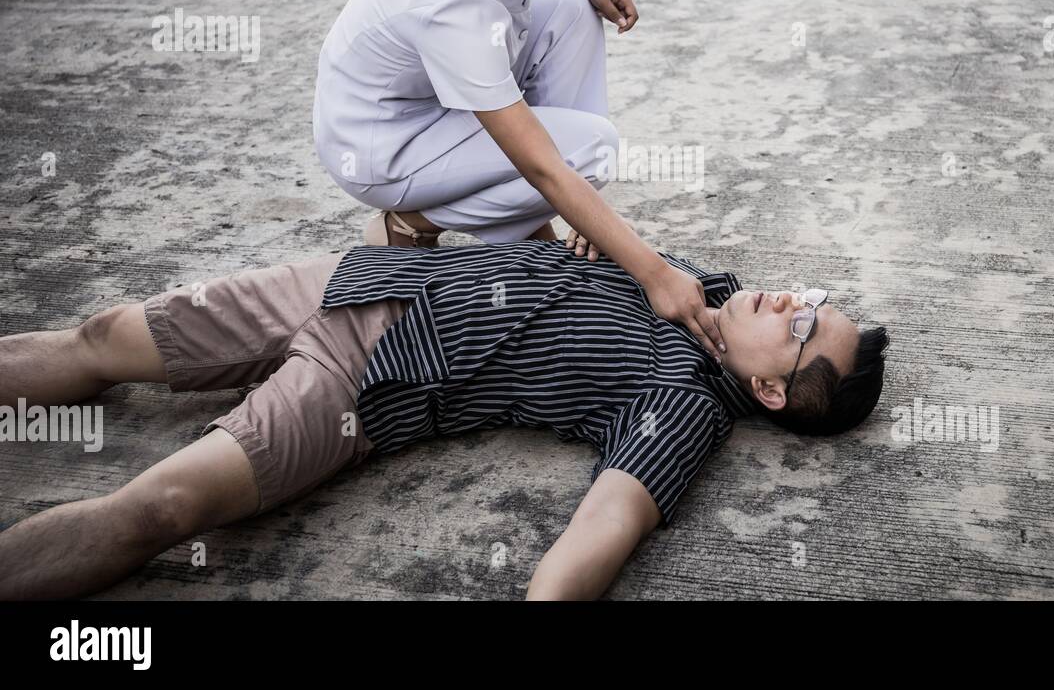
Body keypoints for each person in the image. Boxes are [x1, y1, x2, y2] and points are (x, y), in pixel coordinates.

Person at [0, 240, 889, 600]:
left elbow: (605, 525)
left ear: (771, 393)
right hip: (360, 278)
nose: (792, 299)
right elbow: (567, 230)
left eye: (803, 326)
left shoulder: (683, 406)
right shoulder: (703, 286)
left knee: (160, 509)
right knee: (99, 335)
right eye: (814, 297)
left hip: (361, 385)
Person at [311, 0, 725, 361]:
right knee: (590, 153)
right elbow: (540, 163)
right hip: (382, 140)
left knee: (574, 11)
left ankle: (545, 223)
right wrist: (655, 276)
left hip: (436, 97)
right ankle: (410, 220)